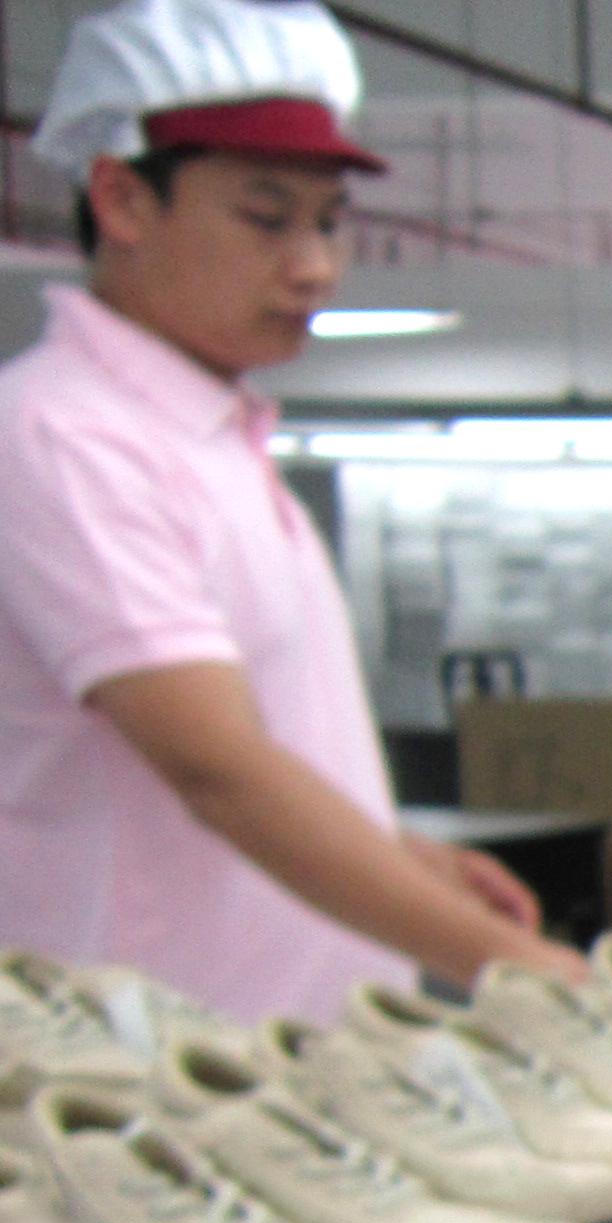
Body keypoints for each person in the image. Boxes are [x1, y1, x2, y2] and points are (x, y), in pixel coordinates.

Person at [0, 0, 580, 1028]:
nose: (313, 265)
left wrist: (396, 853)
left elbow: (246, 747)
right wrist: (531, 974)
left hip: (288, 1056)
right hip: (155, 1073)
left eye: (327, 222)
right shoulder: (65, 436)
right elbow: (217, 769)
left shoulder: (211, 440)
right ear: (122, 199)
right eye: (267, 220)